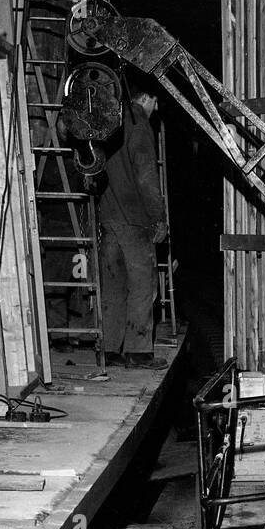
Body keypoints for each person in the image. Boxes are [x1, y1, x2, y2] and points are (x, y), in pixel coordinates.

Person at [97, 87, 167, 366]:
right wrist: (158, 216)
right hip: (135, 217)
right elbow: (147, 176)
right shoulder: (139, 126)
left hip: (109, 215)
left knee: (113, 285)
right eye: (156, 100)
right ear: (144, 98)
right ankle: (138, 352)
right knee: (142, 284)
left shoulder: (110, 121)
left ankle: (110, 349)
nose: (156, 108)